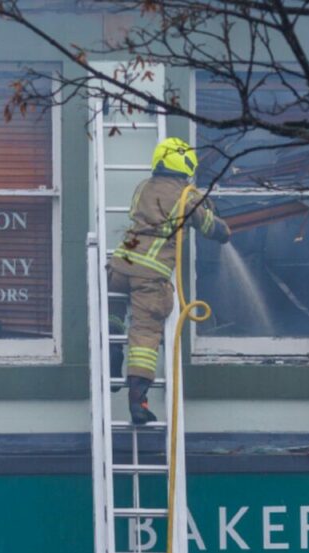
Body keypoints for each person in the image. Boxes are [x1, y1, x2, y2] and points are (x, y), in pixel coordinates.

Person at [108, 136, 231, 425]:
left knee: (114, 314)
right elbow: (208, 224)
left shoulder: (143, 187)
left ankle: (112, 357)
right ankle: (137, 403)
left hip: (122, 264)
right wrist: (225, 231)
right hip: (150, 275)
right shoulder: (187, 195)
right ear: (186, 163)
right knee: (145, 335)